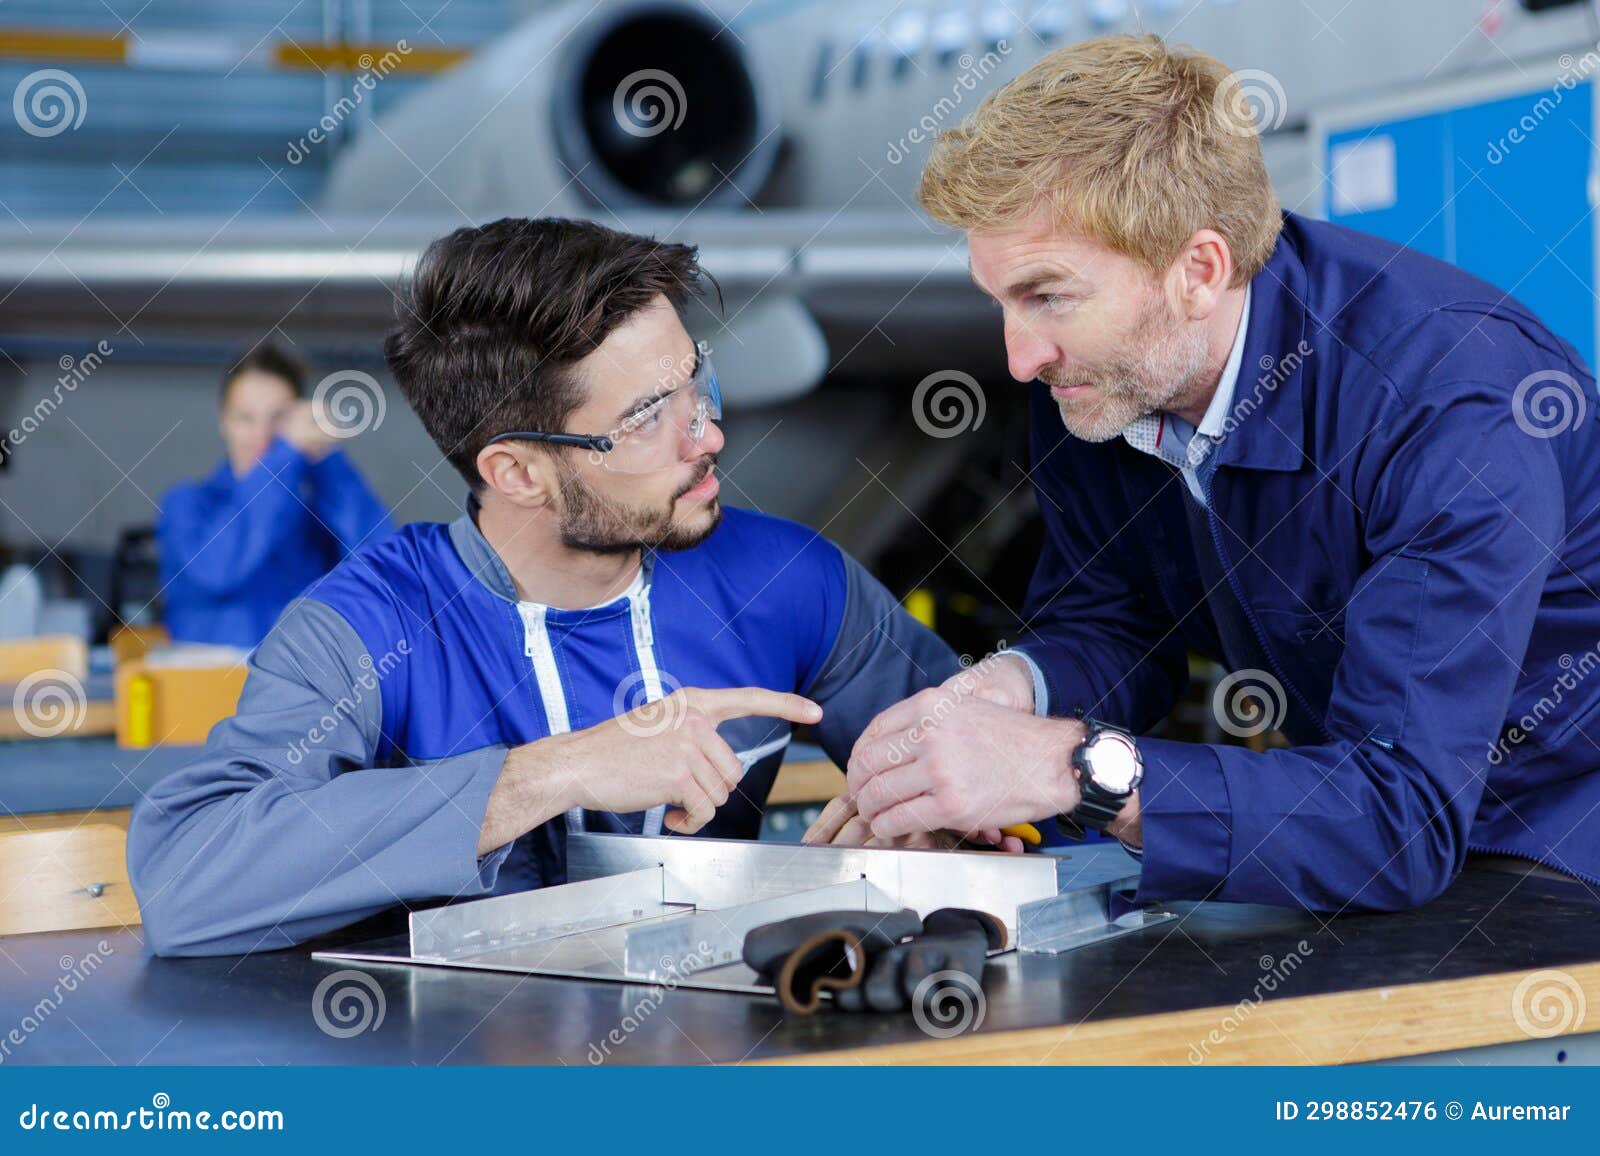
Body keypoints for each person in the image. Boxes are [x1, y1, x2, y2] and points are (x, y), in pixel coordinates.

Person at [832, 35, 1600, 912]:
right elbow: (1115, 620)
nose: (1019, 358)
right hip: (1368, 827)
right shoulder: (1100, 377)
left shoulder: (1448, 406)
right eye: (1001, 301)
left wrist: (1070, 769)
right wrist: (1005, 695)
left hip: (1556, 836)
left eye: (1048, 296)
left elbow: (1401, 815)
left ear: (1199, 270)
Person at [128, 217, 975, 958]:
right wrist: (559, 772)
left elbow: (994, 770)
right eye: (648, 417)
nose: (708, 434)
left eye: (696, 384)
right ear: (518, 473)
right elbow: (185, 881)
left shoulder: (790, 580)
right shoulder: (359, 631)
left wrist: (947, 830)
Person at [157, 345, 393, 648]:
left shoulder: (313, 516)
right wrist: (284, 455)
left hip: (302, 676)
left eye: (279, 419)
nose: (262, 435)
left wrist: (327, 459)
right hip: (207, 678)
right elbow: (218, 569)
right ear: (223, 420)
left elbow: (382, 571)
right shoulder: (186, 505)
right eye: (245, 418)